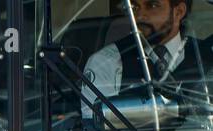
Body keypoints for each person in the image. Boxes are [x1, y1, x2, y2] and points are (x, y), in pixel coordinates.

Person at [81, 0, 212, 119]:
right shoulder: (106, 62)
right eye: (135, 7)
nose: (140, 16)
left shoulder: (206, 57)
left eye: (153, 5)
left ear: (179, 12)